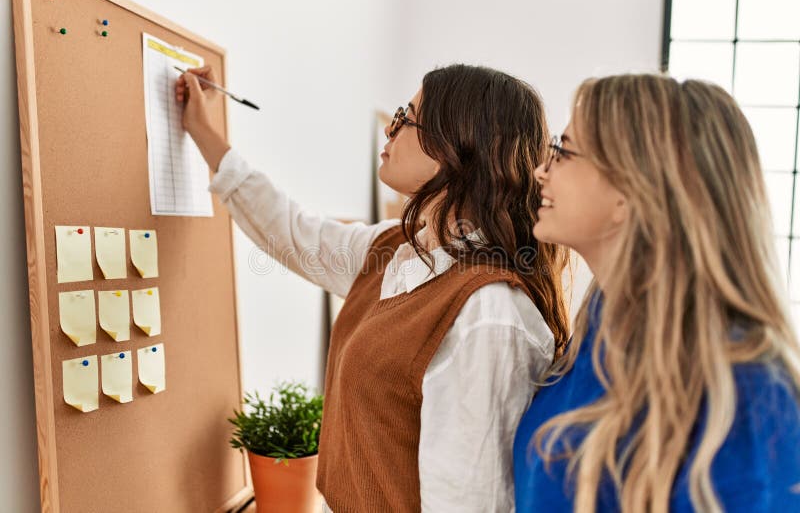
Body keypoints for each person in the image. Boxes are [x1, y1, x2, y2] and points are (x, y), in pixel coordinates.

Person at [177, 64, 570, 512]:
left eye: (407, 117)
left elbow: (468, 502)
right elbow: (291, 230)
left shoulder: (490, 315)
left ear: (458, 147)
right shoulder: (397, 250)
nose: (390, 126)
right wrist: (204, 133)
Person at [513, 73, 800, 512]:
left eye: (564, 152)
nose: (541, 169)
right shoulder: (596, 334)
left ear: (630, 191)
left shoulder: (746, 389)